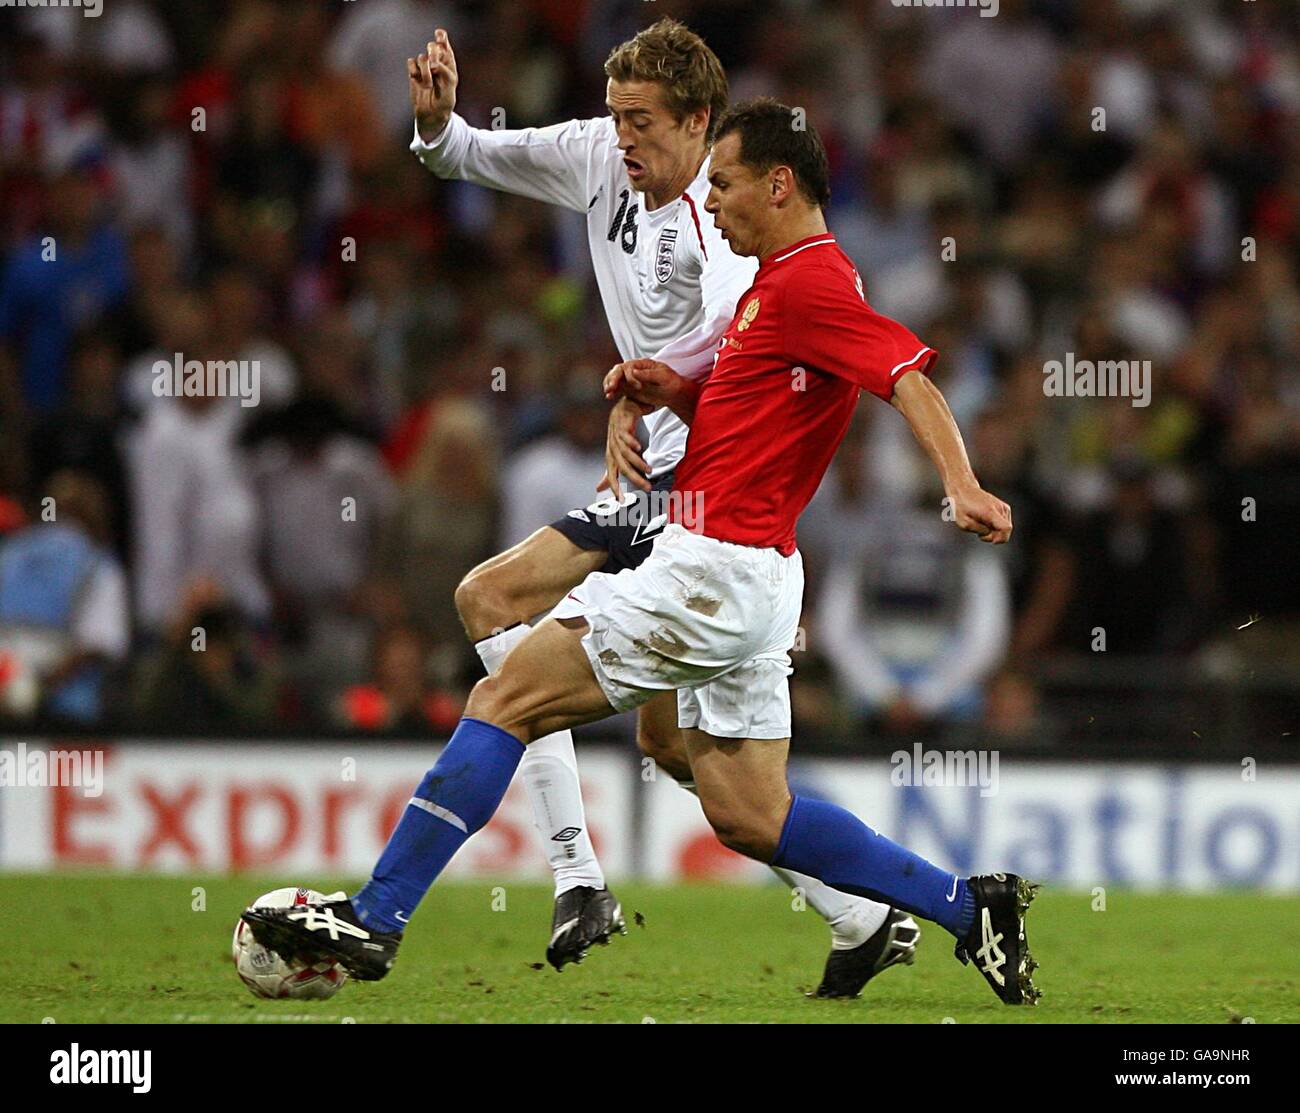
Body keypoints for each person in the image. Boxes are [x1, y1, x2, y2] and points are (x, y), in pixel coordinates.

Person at [245, 101, 1040, 1006]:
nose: (719, 201)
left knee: (507, 696)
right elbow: (757, 423)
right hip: (759, 574)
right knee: (750, 812)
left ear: (780, 186)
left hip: (707, 571)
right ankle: (966, 905)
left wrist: (962, 484)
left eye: (730, 183)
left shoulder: (816, 283)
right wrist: (673, 389)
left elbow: (907, 377)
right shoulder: (774, 286)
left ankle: (379, 915)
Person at [405, 18, 909, 992]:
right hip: (652, 482)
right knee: (673, 746)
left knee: (490, 602)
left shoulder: (733, 245)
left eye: (642, 121)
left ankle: (575, 875)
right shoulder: (598, 158)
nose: (622, 136)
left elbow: (733, 357)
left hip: (702, 492)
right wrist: (434, 127)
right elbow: (469, 156)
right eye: (615, 116)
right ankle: (860, 914)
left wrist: (641, 390)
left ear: (698, 122)